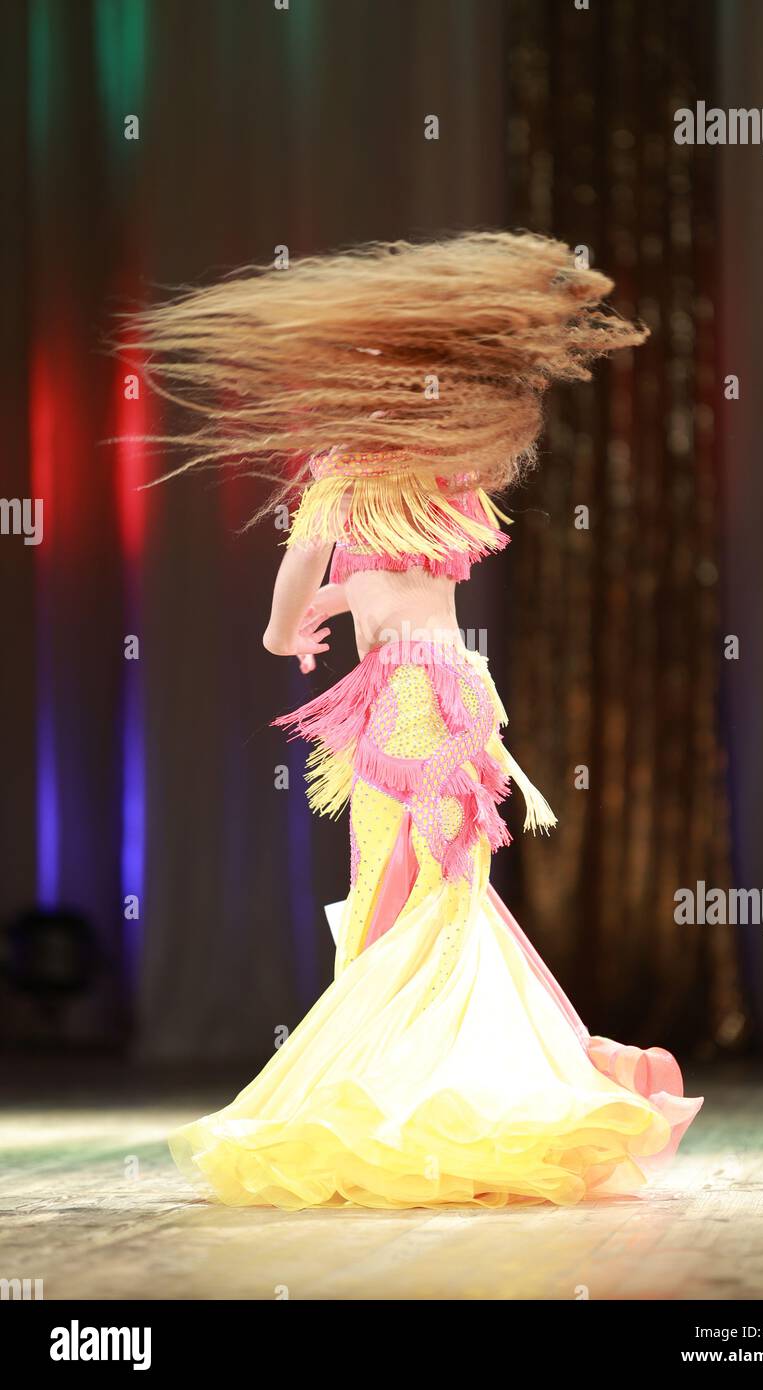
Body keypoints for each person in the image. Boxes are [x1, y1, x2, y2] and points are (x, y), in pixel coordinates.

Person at [133, 230, 702, 1209]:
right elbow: (395, 586)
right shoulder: (451, 472)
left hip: (401, 701)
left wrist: (285, 632)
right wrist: (333, 610)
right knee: (444, 899)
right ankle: (472, 1085)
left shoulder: (340, 476)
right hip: (463, 693)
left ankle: (405, 1097)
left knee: (400, 904)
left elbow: (298, 582)